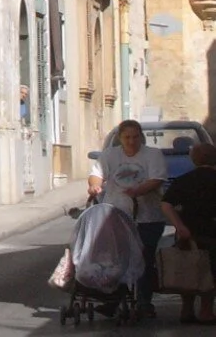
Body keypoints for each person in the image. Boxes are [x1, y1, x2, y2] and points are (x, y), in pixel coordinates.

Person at [90, 120, 170, 318]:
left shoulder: (153, 155)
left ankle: (144, 302)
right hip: (117, 215)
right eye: (127, 137)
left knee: (144, 258)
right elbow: (96, 174)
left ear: (140, 137)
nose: (131, 141)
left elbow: (156, 179)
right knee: (116, 259)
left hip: (148, 217)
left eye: (135, 137)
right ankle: (114, 299)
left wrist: (138, 191)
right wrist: (95, 186)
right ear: (120, 138)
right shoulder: (110, 155)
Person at [162, 142, 216, 323]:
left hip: (188, 232)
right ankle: (206, 311)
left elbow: (166, 203)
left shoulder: (184, 180)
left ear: (193, 159)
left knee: (188, 269)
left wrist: (179, 226)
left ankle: (187, 310)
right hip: (211, 233)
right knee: (210, 273)